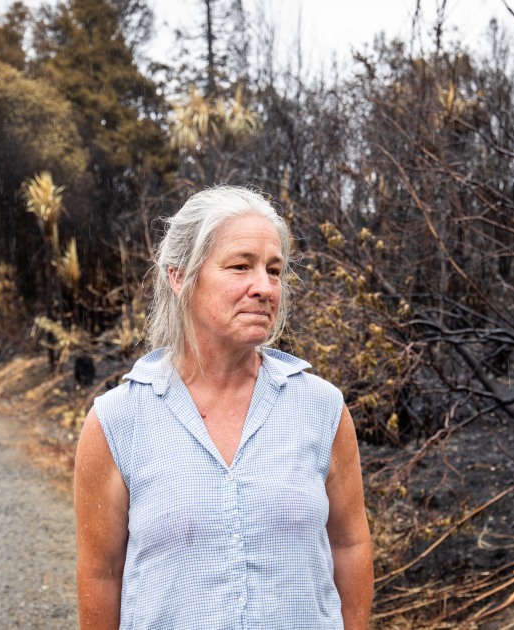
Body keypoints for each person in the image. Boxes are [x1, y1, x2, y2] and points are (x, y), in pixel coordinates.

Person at [74, 186, 373, 629]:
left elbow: (350, 545)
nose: (264, 288)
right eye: (240, 266)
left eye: (274, 270)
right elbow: (101, 574)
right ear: (180, 277)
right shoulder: (117, 421)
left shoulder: (322, 408)